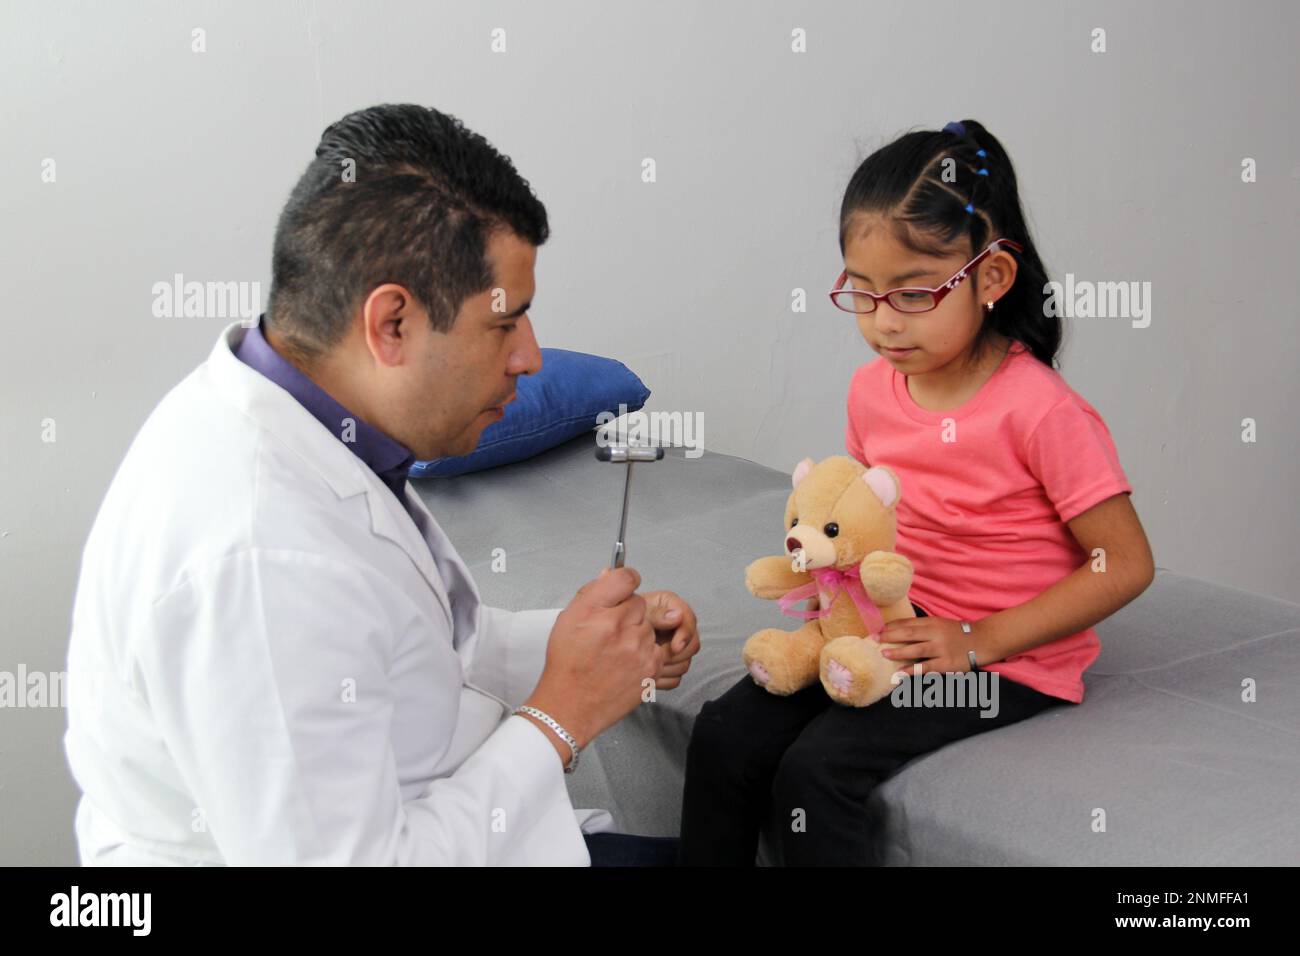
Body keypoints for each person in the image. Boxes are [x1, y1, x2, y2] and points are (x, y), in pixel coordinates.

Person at [63, 103, 699, 866]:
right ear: (391, 323)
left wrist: (587, 644)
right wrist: (562, 714)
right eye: (505, 322)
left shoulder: (302, 420)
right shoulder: (262, 558)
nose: (530, 356)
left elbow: (417, 653)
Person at [677, 119, 1155, 866]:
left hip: (1005, 666)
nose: (883, 323)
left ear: (992, 278)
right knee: (724, 732)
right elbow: (874, 523)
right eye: (862, 294)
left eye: (913, 294)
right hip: (889, 619)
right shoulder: (873, 392)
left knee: (816, 773)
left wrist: (978, 641)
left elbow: (1124, 563)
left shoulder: (1042, 411)